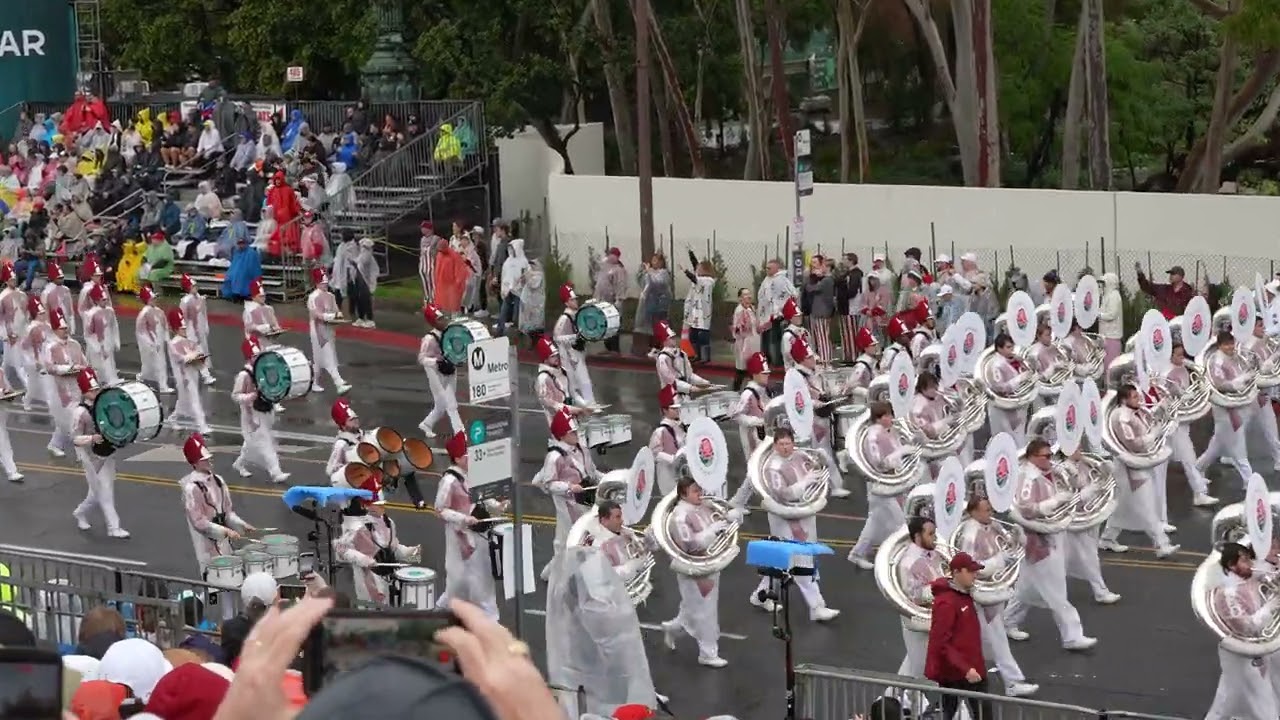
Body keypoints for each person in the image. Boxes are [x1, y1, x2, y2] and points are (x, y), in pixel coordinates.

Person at [1004, 438, 1095, 649]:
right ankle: (1072, 636)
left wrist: (1076, 492)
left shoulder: (1049, 472)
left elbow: (1066, 494)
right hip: (1038, 541)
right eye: (1045, 456)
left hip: (1052, 536)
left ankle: (1007, 621)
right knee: (1058, 592)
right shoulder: (1027, 478)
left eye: (1050, 455)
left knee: (1026, 589)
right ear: (1032, 457)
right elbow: (1026, 509)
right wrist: (1055, 501)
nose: (1050, 459)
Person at [951, 498, 1039, 697]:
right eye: (986, 510)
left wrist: (1017, 536)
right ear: (973, 512)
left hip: (994, 591)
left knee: (983, 641)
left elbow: (1010, 547)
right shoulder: (970, 535)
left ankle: (965, 680)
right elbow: (971, 567)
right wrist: (999, 561)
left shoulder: (993, 525)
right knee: (997, 640)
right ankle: (1012, 682)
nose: (990, 513)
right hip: (980, 596)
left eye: (990, 509)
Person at [751, 427, 839, 621]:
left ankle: (760, 595)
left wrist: (822, 462)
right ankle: (816, 608)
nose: (785, 447)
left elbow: (816, 473)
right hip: (786, 518)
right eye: (781, 444)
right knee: (801, 563)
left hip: (805, 513)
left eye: (788, 443)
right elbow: (784, 494)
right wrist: (806, 482)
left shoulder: (800, 456)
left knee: (781, 562)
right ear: (775, 445)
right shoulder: (773, 468)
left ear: (793, 443)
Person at [1099, 383, 1181, 557]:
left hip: (1136, 465)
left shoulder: (1133, 413)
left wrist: (1163, 407)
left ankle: (1107, 539)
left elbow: (1148, 425)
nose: (1139, 399)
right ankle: (1162, 545)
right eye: (1135, 397)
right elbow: (1133, 444)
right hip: (1130, 468)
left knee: (1121, 507)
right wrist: (1154, 434)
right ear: (1124, 400)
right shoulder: (1121, 417)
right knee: (1147, 506)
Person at [434, 431, 507, 621]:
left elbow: (482, 496)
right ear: (457, 458)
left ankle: (490, 614)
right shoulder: (449, 481)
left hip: (478, 531)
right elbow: (440, 510)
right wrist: (463, 518)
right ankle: (446, 604)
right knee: (457, 575)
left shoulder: (472, 474)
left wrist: (497, 506)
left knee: (483, 573)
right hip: (458, 534)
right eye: (468, 456)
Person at [1204, 542, 1280, 720]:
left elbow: (1267, 571)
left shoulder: (1247, 580)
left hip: (1253, 652)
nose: (1251, 564)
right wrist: (1270, 607)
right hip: (1242, 654)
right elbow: (1246, 627)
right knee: (1262, 706)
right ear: (1232, 565)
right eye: (1245, 560)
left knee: (1226, 701)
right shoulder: (1228, 593)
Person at [661, 476, 731, 668]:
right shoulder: (679, 517)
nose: (700, 493)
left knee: (693, 609)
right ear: (683, 494)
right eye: (695, 491)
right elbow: (690, 545)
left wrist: (730, 519)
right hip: (693, 569)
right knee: (705, 611)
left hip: (711, 563)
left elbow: (719, 525)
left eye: (700, 489)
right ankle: (708, 653)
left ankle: (673, 628)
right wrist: (712, 531)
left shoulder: (703, 506)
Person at [180, 433, 256, 604]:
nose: (209, 461)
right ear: (195, 463)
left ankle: (228, 616)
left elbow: (228, 512)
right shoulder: (192, 488)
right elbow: (198, 522)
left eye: (208, 458)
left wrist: (241, 524)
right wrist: (225, 531)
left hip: (224, 542)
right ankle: (197, 607)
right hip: (207, 545)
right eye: (204, 459)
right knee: (214, 586)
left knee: (231, 583)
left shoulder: (219, 481)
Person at [924, 552, 995, 720]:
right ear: (956, 572)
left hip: (971, 668)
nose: (974, 575)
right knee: (954, 712)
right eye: (969, 571)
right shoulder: (947, 603)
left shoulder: (965, 595)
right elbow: (941, 642)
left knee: (952, 711)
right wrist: (965, 668)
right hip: (958, 672)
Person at [335, 474, 421, 605]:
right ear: (366, 505)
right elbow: (341, 550)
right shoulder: (356, 526)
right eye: (377, 504)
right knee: (371, 611)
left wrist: (410, 553)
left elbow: (393, 548)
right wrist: (362, 559)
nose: (382, 507)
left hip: (389, 579)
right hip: (368, 580)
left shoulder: (388, 522)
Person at [847, 402, 914, 569]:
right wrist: (901, 452)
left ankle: (857, 554)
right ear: (879, 418)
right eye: (887, 415)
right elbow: (879, 463)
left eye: (890, 414)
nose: (891, 418)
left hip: (891, 484)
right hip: (881, 487)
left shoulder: (888, 432)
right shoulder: (873, 436)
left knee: (874, 524)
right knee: (900, 523)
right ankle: (902, 558)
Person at [536, 407, 600, 582]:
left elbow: (592, 472)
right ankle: (554, 577)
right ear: (562, 435)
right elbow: (549, 483)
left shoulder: (582, 449)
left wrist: (607, 479)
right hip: (567, 505)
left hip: (585, 501)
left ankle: (562, 575)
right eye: (572, 432)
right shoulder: (554, 457)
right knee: (566, 543)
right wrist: (569, 487)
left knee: (583, 539)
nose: (576, 434)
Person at [71, 367, 128, 538]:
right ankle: (113, 527)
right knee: (104, 491)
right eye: (91, 390)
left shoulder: (104, 404)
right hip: (89, 456)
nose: (95, 393)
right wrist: (91, 438)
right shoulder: (80, 412)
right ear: (84, 392)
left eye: (96, 389)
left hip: (106, 452)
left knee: (99, 492)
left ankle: (80, 512)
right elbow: (75, 438)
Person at [788, 341, 849, 497]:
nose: (814, 359)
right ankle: (824, 486)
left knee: (823, 452)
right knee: (816, 454)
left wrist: (837, 392)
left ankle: (828, 486)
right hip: (809, 421)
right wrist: (816, 404)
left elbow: (823, 390)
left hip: (822, 417)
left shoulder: (814, 372)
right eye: (809, 357)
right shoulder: (797, 377)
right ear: (801, 359)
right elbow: (798, 399)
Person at [1198, 330, 1254, 483]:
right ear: (1219, 345)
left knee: (1215, 447)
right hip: (1225, 409)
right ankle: (1250, 482)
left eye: (1231, 343)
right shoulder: (1216, 361)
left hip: (1236, 405)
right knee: (1239, 449)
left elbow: (1240, 376)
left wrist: (1247, 377)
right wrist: (1238, 383)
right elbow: (1219, 385)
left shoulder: (1234, 357)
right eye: (1226, 344)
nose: (1230, 347)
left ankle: (1196, 470)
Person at [232, 337, 289, 484]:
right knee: (266, 443)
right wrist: (251, 396)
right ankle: (276, 473)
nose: (257, 358)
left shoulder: (264, 369)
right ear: (248, 357)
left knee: (252, 444)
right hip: (251, 414)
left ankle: (239, 463)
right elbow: (236, 396)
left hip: (265, 410)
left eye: (258, 355)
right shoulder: (244, 375)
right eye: (254, 356)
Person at [43, 307, 85, 458]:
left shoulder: (75, 344)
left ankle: (54, 444)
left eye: (65, 327)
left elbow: (84, 363)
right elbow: (49, 367)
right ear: (55, 330)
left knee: (68, 420)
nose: (65, 331)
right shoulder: (50, 347)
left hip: (75, 386)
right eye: (61, 328)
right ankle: (81, 453)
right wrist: (68, 369)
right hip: (59, 389)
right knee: (72, 420)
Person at [417, 302, 464, 438]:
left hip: (450, 368)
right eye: (439, 319)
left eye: (443, 317)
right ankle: (460, 432)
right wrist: (436, 362)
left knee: (445, 404)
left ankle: (427, 424)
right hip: (435, 372)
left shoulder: (451, 332)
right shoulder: (429, 339)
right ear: (432, 322)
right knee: (447, 403)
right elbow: (421, 358)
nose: (443, 321)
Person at [165, 307, 213, 435]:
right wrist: (192, 356)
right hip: (183, 376)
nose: (185, 330)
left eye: (185, 328)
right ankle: (202, 426)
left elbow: (196, 353)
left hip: (192, 373)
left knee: (183, 402)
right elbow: (180, 359)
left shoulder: (187, 341)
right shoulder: (173, 344)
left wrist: (199, 357)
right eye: (182, 329)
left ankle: (172, 418)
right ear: (176, 329)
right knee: (195, 400)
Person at [306, 267, 350, 394]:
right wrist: (330, 316)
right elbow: (316, 314)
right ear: (317, 283)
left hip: (329, 329)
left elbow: (336, 310)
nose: (325, 285)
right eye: (322, 283)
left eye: (326, 283)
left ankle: (314, 382)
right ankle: (338, 382)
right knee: (328, 355)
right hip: (317, 331)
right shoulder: (313, 297)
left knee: (320, 358)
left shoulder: (331, 296)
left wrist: (338, 315)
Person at [985, 333, 1034, 444]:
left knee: (1019, 440)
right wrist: (1019, 378)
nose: (1012, 350)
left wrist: (1022, 364)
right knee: (1006, 441)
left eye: (1012, 346)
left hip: (1017, 407)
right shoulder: (996, 364)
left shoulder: (1010, 360)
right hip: (1002, 408)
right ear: (999, 348)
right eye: (1008, 347)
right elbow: (999, 387)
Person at [552, 283, 596, 405]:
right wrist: (574, 338)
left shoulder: (576, 315)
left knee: (584, 380)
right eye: (572, 300)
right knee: (572, 383)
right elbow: (557, 337)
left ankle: (589, 403)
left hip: (577, 352)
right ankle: (582, 404)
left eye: (575, 299)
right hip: (568, 355)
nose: (575, 302)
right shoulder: (565, 318)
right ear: (566, 303)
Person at [534, 336, 587, 430]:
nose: (556, 358)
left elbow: (573, 394)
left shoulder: (563, 372)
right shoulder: (543, 379)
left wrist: (585, 406)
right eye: (552, 356)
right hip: (559, 427)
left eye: (557, 355)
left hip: (573, 422)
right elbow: (551, 405)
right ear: (545, 359)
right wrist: (576, 410)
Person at [757, 259, 796, 367]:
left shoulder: (781, 280)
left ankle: (777, 360)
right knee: (765, 337)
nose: (767, 270)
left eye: (769, 268)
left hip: (777, 315)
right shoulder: (767, 279)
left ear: (776, 269)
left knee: (775, 338)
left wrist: (779, 309)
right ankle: (766, 358)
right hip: (766, 314)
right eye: (766, 268)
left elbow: (790, 294)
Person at [178, 274, 216, 386]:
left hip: (200, 329)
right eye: (193, 286)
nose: (196, 287)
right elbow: (183, 317)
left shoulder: (199, 298)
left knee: (197, 352)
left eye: (195, 285)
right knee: (197, 352)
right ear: (188, 288)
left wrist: (205, 326)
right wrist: (184, 331)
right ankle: (206, 376)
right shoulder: (185, 301)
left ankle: (187, 374)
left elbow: (203, 314)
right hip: (191, 330)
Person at [134, 284, 172, 394]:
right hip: (151, 342)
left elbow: (164, 326)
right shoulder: (144, 313)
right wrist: (149, 343)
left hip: (159, 341)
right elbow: (141, 331)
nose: (154, 300)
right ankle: (162, 386)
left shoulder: (159, 311)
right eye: (151, 299)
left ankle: (147, 378)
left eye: (154, 298)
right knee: (154, 363)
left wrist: (166, 339)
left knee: (159, 363)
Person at [83, 283, 121, 385]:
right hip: (96, 343)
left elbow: (114, 326)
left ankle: (111, 380)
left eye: (105, 299)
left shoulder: (110, 311)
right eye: (102, 299)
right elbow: (88, 334)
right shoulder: (91, 314)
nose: (105, 301)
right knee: (99, 366)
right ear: (96, 300)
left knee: (109, 363)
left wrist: (116, 341)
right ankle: (98, 382)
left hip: (108, 341)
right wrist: (98, 348)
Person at [19, 294, 50, 411]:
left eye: (43, 313)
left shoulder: (46, 326)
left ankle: (48, 401)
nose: (43, 315)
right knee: (34, 383)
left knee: (44, 381)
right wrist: (34, 360)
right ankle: (27, 400)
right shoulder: (32, 328)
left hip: (42, 356)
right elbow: (28, 346)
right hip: (32, 359)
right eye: (40, 313)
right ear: (35, 314)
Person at [0, 263, 28, 392]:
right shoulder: (2, 297)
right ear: (6, 281)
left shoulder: (22, 294)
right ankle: (29, 388)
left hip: (21, 332)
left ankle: (4, 386)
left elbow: (26, 314)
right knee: (19, 364)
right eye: (11, 279)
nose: (14, 281)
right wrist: (5, 335)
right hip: (11, 334)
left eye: (14, 278)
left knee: (6, 364)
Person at [730, 289, 765, 391]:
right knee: (742, 370)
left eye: (749, 294)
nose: (749, 296)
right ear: (740, 298)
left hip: (753, 343)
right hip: (744, 345)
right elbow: (739, 330)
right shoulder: (740, 311)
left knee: (751, 369)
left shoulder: (750, 309)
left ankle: (755, 391)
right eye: (745, 294)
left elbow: (756, 326)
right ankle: (736, 392)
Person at [40, 261, 74, 336]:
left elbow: (70, 308)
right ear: (53, 278)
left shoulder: (66, 290)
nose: (62, 279)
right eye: (59, 278)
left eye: (62, 277)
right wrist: (48, 325)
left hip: (65, 321)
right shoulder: (46, 292)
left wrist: (72, 323)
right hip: (53, 323)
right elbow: (45, 311)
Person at [778, 298, 810, 370]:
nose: (799, 317)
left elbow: (810, 349)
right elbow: (788, 355)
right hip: (794, 370)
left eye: (800, 315)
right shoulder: (787, 335)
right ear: (790, 318)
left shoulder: (805, 332)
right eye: (796, 316)